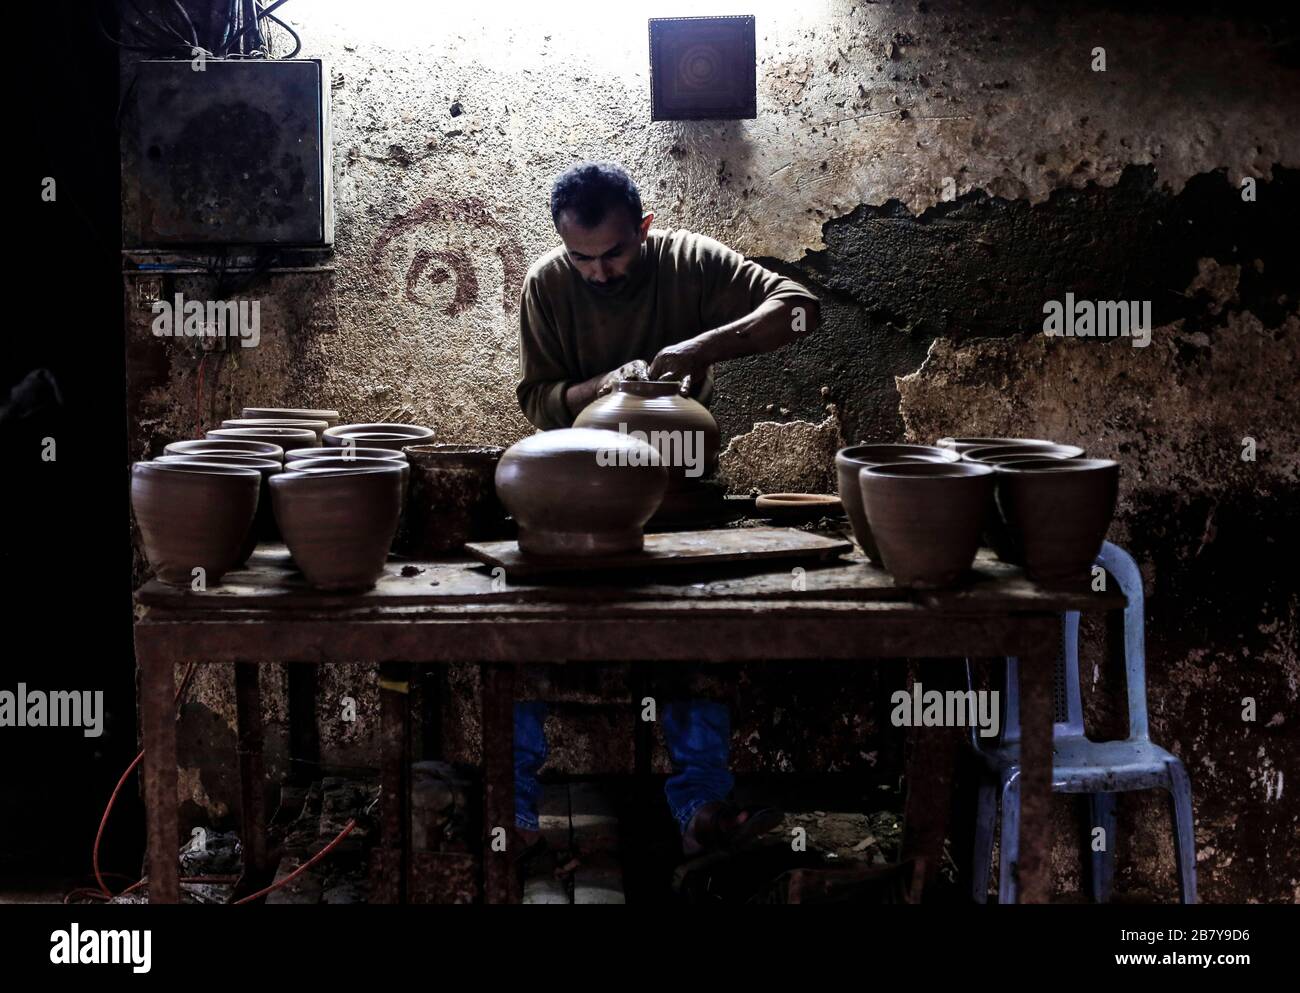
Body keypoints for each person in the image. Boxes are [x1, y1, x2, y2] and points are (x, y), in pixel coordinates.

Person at [514, 161, 821, 859]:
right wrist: (604, 383)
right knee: (524, 643)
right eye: (581, 256)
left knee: (695, 640)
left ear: (644, 229)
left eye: (615, 252)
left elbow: (802, 308)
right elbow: (537, 399)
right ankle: (518, 815)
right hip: (578, 504)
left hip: (679, 501)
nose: (598, 271)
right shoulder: (548, 283)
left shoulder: (690, 261)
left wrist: (699, 346)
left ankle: (701, 808)